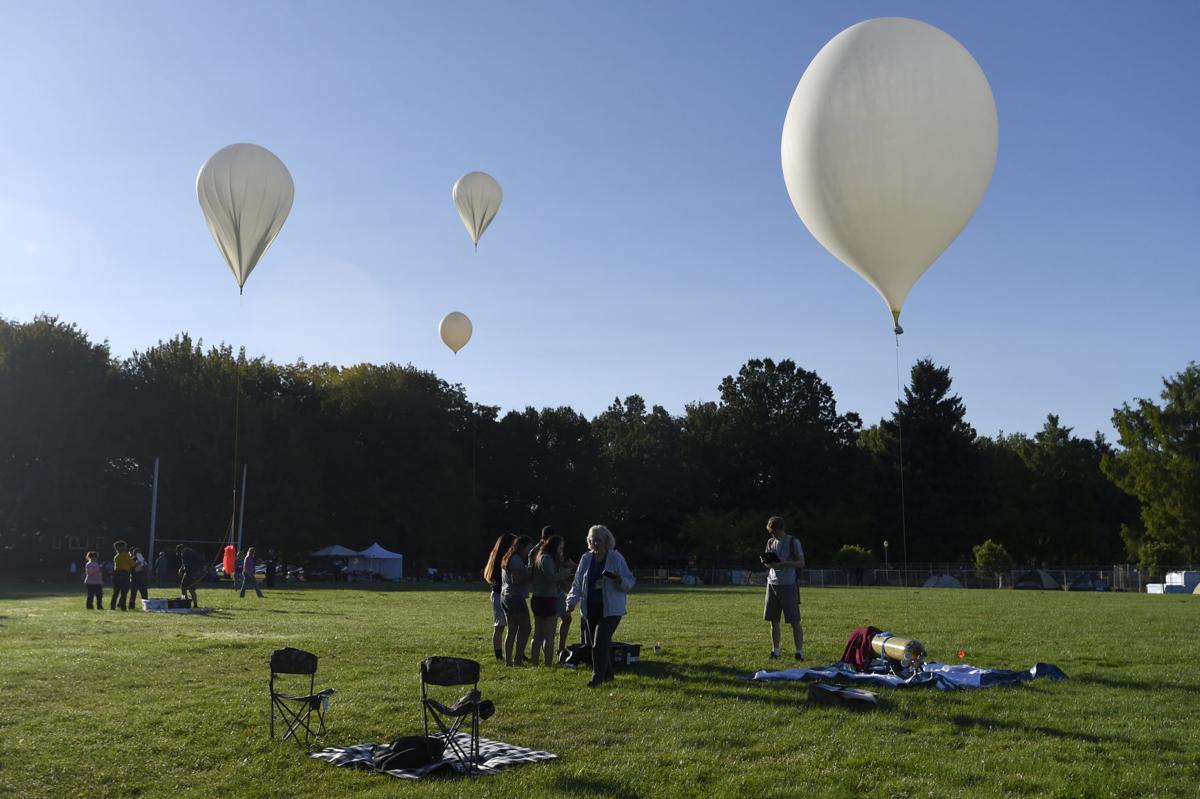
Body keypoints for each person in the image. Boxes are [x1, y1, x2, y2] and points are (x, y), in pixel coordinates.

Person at [566, 525, 635, 687]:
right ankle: (609, 675)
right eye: (592, 540)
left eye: (599, 540)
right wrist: (571, 601)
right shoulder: (586, 558)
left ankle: (596, 678)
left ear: (606, 541)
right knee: (598, 645)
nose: (595, 543)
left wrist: (619, 580)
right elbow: (577, 584)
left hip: (611, 609)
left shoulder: (616, 558)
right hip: (591, 608)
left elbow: (629, 581)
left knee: (600, 643)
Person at [761, 515, 805, 660]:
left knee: (794, 621)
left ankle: (799, 652)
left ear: (782, 529)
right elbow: (768, 563)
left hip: (788, 585)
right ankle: (776, 651)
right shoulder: (770, 542)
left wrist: (785, 563)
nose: (773, 535)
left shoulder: (793, 542)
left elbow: (801, 563)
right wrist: (767, 562)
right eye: (771, 533)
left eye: (775, 532)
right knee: (774, 620)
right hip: (772, 584)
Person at [529, 534, 571, 666]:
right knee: (548, 636)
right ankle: (548, 664)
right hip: (547, 600)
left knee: (539, 635)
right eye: (560, 547)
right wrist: (565, 572)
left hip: (538, 599)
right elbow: (551, 577)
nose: (561, 550)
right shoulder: (546, 558)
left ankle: (535, 663)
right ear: (554, 546)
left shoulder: (541, 557)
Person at [500, 535, 533, 666]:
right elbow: (516, 579)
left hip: (506, 597)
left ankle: (509, 661)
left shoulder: (509, 558)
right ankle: (518, 660)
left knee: (512, 630)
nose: (528, 552)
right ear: (521, 547)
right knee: (526, 628)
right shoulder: (516, 559)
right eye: (528, 548)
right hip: (515, 598)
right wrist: (529, 573)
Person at [482, 533, 515, 660]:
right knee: (500, 626)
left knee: (502, 626)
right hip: (500, 595)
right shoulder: (502, 559)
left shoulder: (495, 557)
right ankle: (500, 656)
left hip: (498, 594)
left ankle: (502, 654)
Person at [110, 541, 134, 611]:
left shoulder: (116, 556)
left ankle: (112, 607)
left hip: (116, 574)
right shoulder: (126, 555)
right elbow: (133, 564)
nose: (125, 547)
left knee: (116, 592)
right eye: (124, 546)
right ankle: (123, 607)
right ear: (122, 547)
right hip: (124, 574)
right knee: (124, 591)